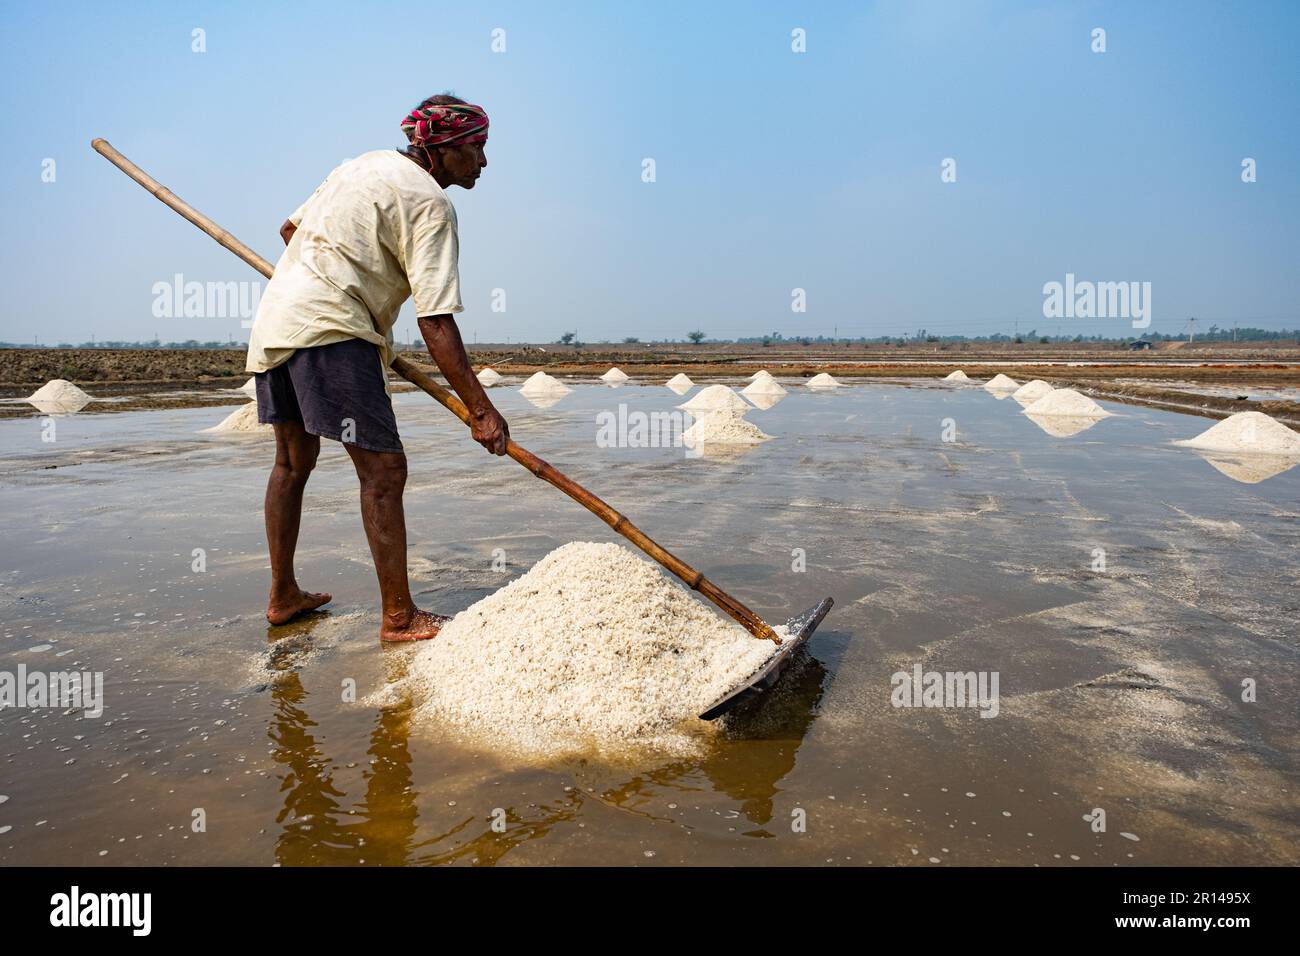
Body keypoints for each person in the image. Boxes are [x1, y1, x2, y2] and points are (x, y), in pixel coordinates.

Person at [245, 93, 508, 641]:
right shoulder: (432, 204)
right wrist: (480, 410)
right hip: (333, 334)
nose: (483, 161)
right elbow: (435, 320)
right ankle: (399, 617)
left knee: (293, 463)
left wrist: (340, 272)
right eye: (476, 147)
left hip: (277, 322)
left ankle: (282, 596)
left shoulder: (360, 165)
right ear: (441, 148)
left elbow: (289, 232)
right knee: (384, 472)